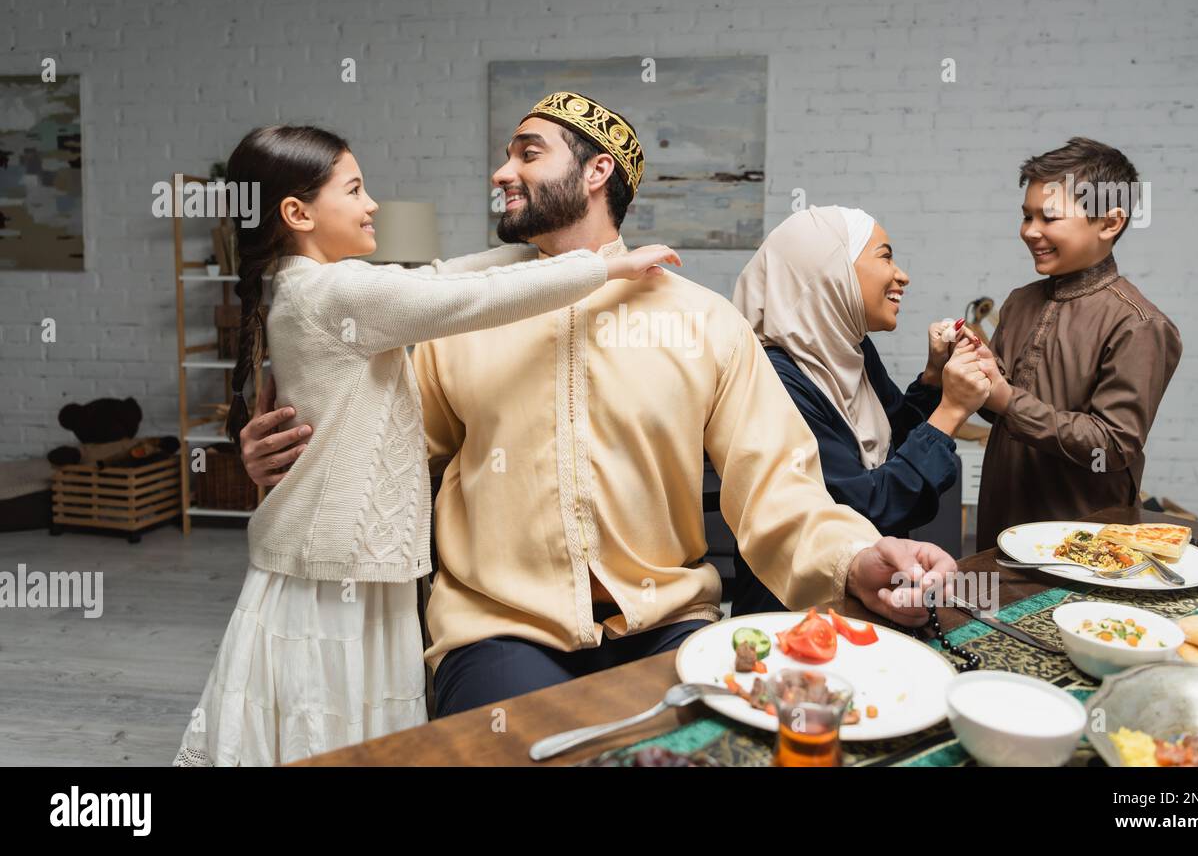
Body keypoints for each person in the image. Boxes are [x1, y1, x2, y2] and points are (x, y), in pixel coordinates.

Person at [241, 93, 959, 721]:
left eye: (527, 152)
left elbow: (781, 493)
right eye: (504, 155)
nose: (501, 173)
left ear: (597, 171)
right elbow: (384, 451)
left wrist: (857, 556)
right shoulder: (453, 323)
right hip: (498, 629)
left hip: (670, 623)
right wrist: (281, 449)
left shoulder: (706, 324)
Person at [173, 123, 678, 765]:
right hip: (338, 568)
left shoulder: (309, 287)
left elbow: (439, 277)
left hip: (339, 560)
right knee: (329, 722)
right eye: (354, 190)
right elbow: (464, 298)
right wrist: (602, 265)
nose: (372, 204)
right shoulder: (335, 293)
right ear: (297, 213)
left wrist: (550, 256)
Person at [729, 204, 990, 615]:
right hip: (796, 613)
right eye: (885, 256)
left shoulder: (851, 351)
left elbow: (894, 443)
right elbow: (868, 507)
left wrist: (934, 378)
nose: (902, 275)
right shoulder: (777, 379)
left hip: (872, 590)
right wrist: (952, 412)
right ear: (829, 272)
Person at [973, 137, 1182, 551]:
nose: (1030, 231)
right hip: (998, 530)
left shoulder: (1139, 324)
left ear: (1109, 222)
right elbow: (993, 408)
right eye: (1026, 216)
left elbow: (1114, 444)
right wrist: (972, 368)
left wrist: (1007, 399)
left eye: (1049, 217)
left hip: (1081, 544)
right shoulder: (1020, 301)